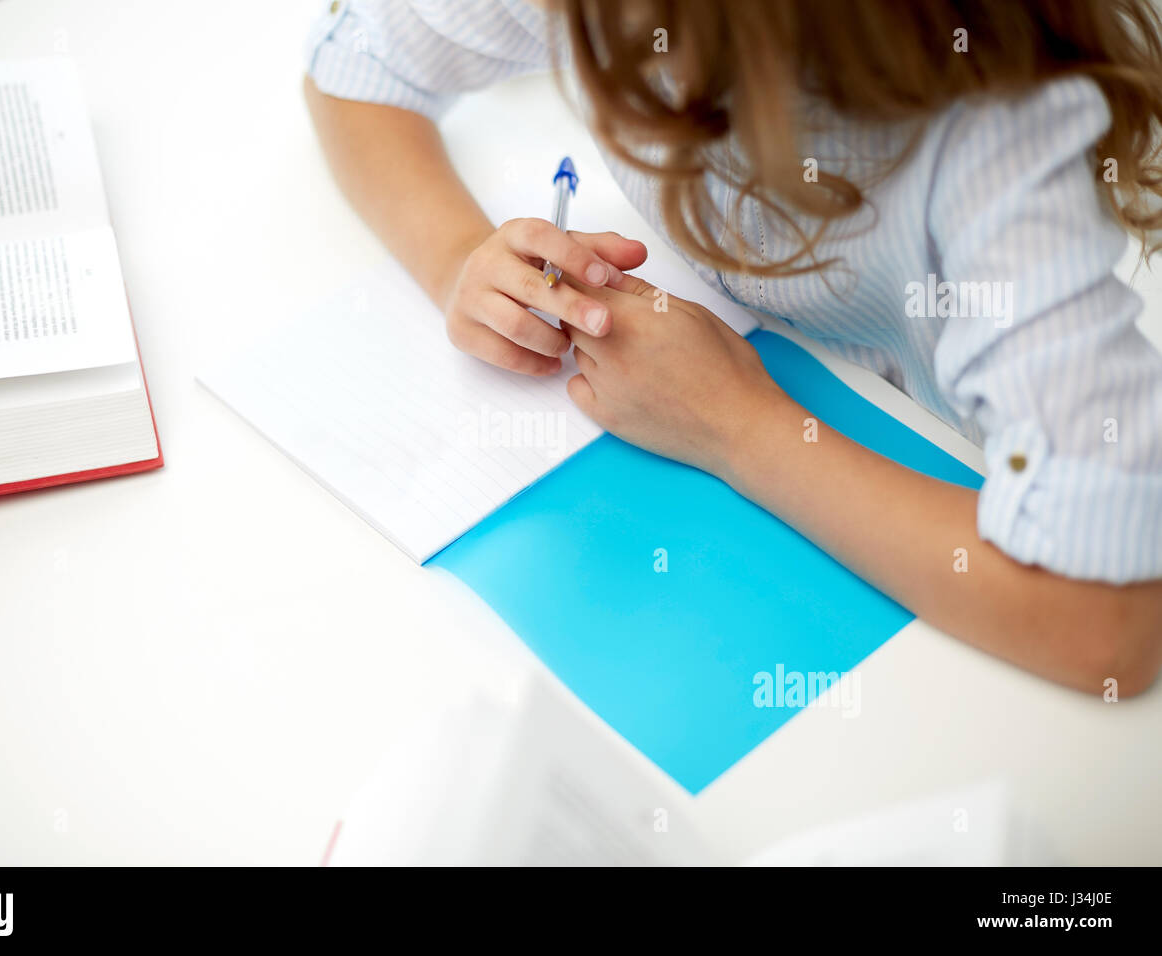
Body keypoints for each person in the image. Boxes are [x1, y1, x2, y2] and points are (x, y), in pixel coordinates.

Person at [303, 0, 1162, 695]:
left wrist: (736, 425)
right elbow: (356, 63)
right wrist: (460, 261)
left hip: (958, 534)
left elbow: (1109, 619)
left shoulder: (991, 144)